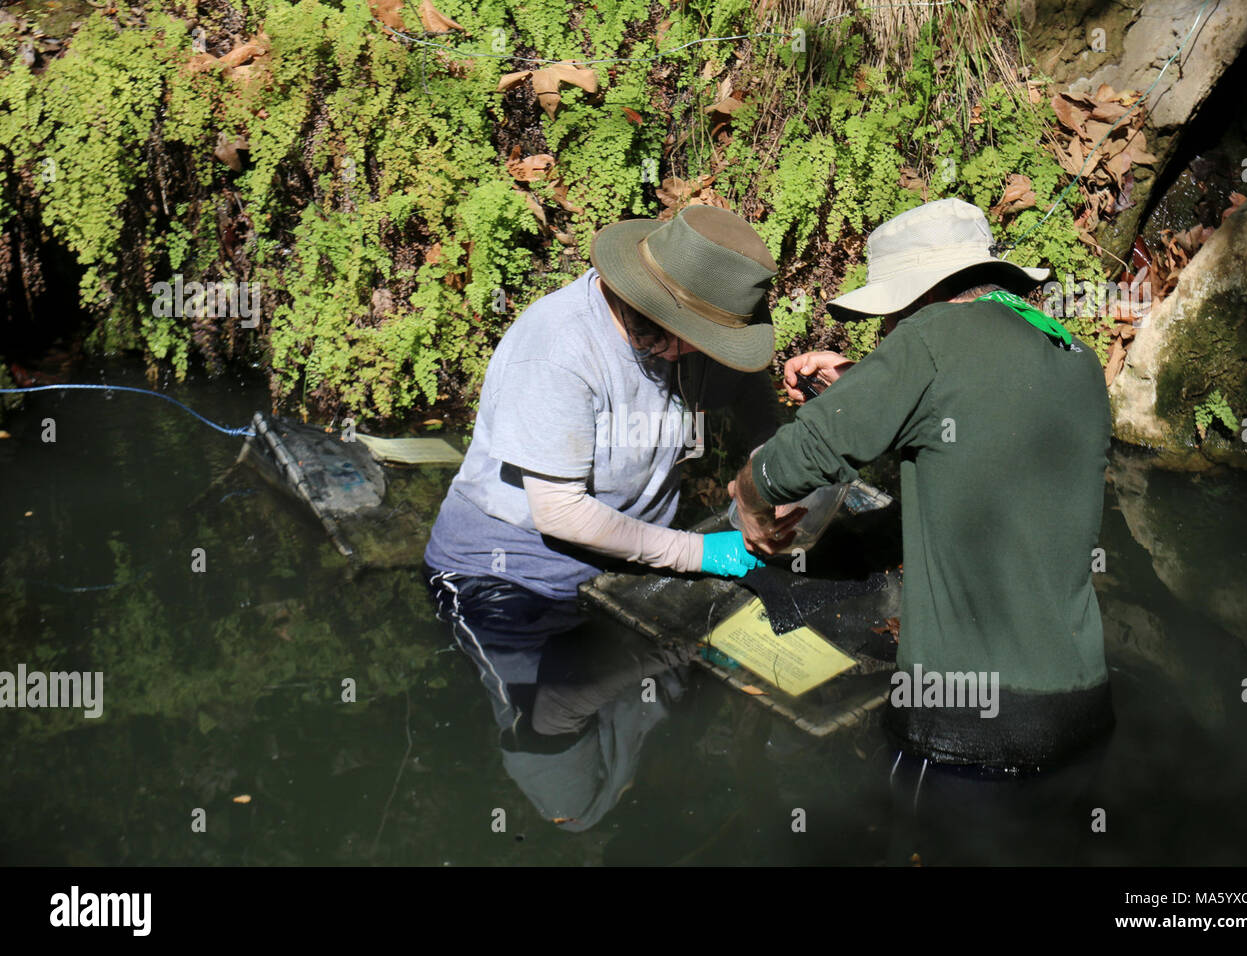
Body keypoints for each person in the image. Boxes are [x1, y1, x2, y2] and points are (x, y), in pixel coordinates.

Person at [729, 198, 1113, 772]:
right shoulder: (1072, 352)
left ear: (919, 298)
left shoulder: (930, 334)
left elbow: (798, 457)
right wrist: (866, 387)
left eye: (888, 317)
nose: (885, 331)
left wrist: (751, 499)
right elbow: (973, 438)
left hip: (969, 722)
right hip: (1083, 703)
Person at [424, 206, 799, 708]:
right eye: (702, 342)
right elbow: (559, 512)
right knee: (550, 720)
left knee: (645, 712)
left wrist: (766, 469)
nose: (708, 354)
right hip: (507, 579)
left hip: (630, 566)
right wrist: (702, 554)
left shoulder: (693, 331)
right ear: (659, 316)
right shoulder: (559, 349)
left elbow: (749, 389)